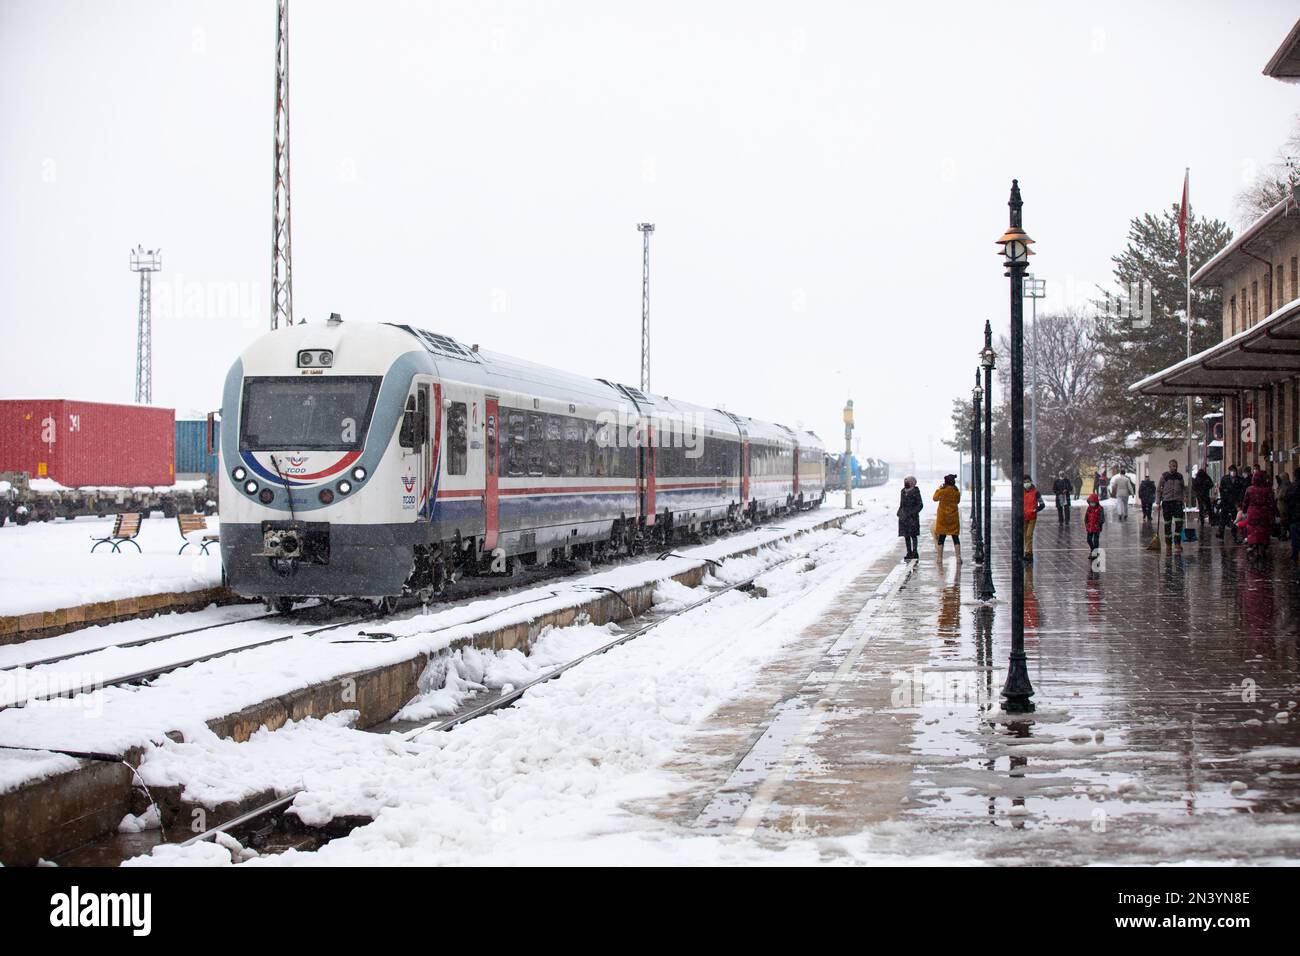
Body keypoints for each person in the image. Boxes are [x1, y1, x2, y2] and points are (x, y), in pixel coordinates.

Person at [1244, 470, 1276, 564]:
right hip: (1264, 513)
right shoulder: (1267, 490)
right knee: (1263, 530)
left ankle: (1252, 545)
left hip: (1252, 514)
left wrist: (1245, 510)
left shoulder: (1249, 489)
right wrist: (1274, 512)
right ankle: (1263, 545)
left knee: (1252, 530)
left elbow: (1245, 502)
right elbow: (1271, 503)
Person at [1155, 459, 1186, 553]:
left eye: (1175, 466)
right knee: (1167, 524)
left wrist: (1184, 497)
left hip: (1177, 502)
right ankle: (1168, 544)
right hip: (1167, 502)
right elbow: (1158, 490)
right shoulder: (1164, 476)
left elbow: (1183, 488)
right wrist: (1157, 502)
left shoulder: (1180, 476)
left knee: (1179, 523)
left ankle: (1177, 543)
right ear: (1169, 466)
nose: (1174, 467)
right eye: (1172, 466)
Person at [932, 474, 962, 561]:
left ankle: (939, 558)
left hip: (943, 518)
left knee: (941, 538)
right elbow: (958, 501)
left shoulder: (942, 491)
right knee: (955, 537)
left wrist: (939, 489)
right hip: (953, 518)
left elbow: (934, 498)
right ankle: (958, 558)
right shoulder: (956, 492)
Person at [897, 476, 923, 561]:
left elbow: (920, 505)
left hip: (913, 518)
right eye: (905, 481)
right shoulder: (903, 491)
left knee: (913, 535)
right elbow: (901, 504)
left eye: (907, 481)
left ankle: (915, 552)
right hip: (904, 517)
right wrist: (899, 512)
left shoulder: (916, 491)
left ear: (912, 482)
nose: (906, 483)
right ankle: (909, 552)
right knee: (906, 536)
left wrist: (913, 513)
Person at [1021, 475, 1045, 563]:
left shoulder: (1036, 492)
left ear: (1031, 482)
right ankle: (1028, 551)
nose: (1026, 484)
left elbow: (1042, 504)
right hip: (1023, 517)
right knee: (1025, 535)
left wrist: (1035, 510)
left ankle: (1028, 553)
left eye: (1028, 482)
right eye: (1025, 482)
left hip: (1032, 517)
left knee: (1028, 535)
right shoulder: (1021, 492)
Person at [1218, 465, 1241, 543]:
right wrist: (1223, 497)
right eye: (1232, 471)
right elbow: (1221, 489)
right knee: (1223, 518)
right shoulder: (1225, 479)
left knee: (1235, 519)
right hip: (1226, 501)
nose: (1233, 472)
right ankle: (1221, 533)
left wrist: (1238, 501)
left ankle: (1234, 535)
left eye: (1234, 471)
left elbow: (1241, 491)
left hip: (1235, 502)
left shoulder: (1239, 480)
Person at [1084, 492, 1105, 556]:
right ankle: (1093, 550)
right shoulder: (1089, 508)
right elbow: (1086, 517)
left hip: (1096, 527)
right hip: (1090, 527)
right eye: (1090, 503)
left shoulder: (1100, 509)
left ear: (1096, 502)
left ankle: (1095, 552)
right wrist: (1086, 524)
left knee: (1096, 540)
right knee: (1089, 540)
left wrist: (1098, 524)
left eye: (1093, 503)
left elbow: (1102, 518)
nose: (1092, 504)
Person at [1286, 475, 1300, 562]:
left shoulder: (1292, 486)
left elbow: (1287, 499)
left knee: (1295, 535)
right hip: (1295, 513)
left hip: (1294, 515)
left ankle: (1295, 554)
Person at [1275, 471, 1291, 541]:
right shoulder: (1282, 485)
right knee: (1284, 522)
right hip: (1281, 507)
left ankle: (1283, 535)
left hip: (1284, 507)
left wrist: (1277, 495)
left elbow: (1280, 496)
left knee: (1284, 522)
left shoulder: (1286, 486)